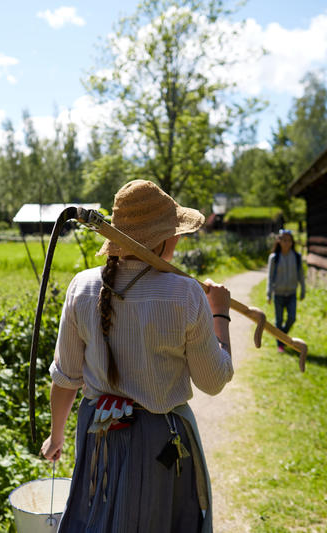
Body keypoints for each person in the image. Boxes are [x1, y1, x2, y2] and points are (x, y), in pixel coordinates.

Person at [40, 180, 233, 533]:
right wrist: (220, 314)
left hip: (98, 433)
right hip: (160, 442)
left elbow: (65, 377)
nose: (178, 239)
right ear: (160, 240)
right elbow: (213, 380)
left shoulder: (81, 286)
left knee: (99, 522)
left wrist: (57, 436)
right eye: (174, 232)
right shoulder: (186, 294)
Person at [266, 229, 305, 352]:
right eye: (283, 240)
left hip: (292, 293)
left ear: (292, 242)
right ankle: (280, 345)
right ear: (279, 241)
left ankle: (282, 337)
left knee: (292, 318)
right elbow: (270, 277)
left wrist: (303, 289)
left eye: (288, 240)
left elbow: (301, 275)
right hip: (278, 294)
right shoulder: (274, 258)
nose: (286, 243)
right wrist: (269, 293)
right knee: (279, 320)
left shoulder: (297, 257)